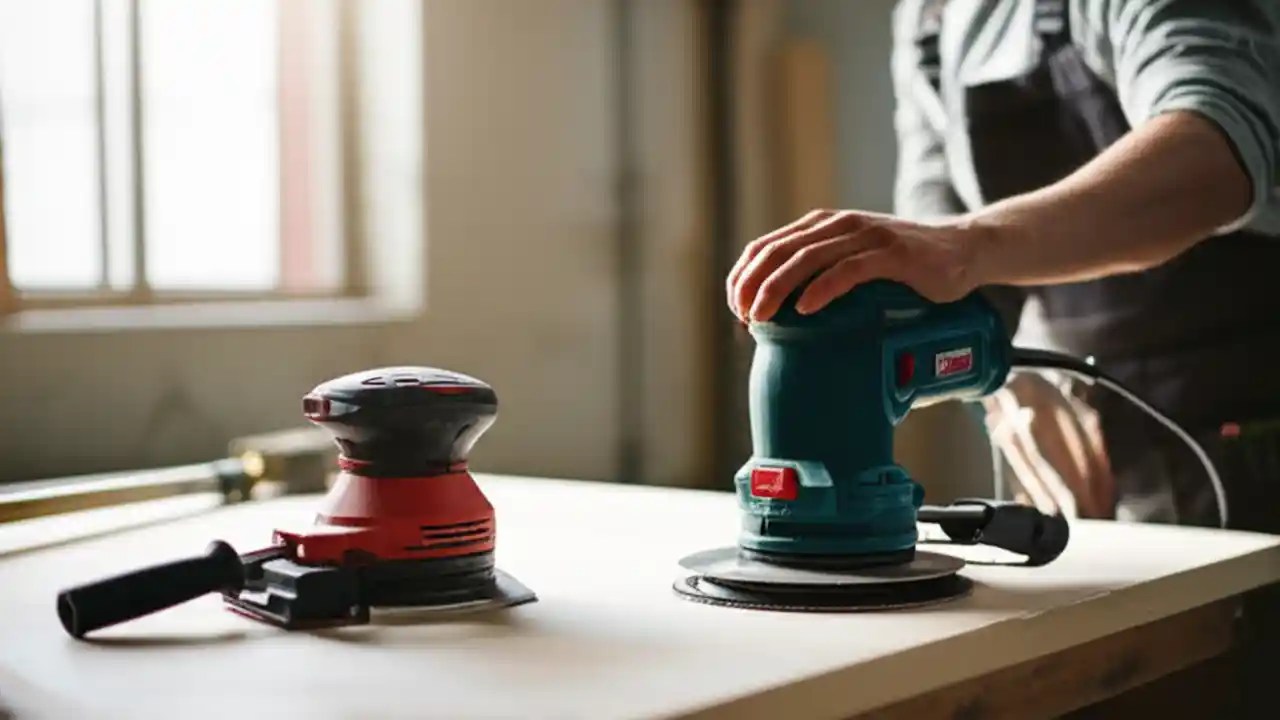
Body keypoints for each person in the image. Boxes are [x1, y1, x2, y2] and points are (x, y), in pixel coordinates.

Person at [726, 0, 1280, 537]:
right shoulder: (928, 14)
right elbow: (935, 227)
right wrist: (1005, 374)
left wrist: (967, 246)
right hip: (1084, 440)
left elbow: (1217, 156)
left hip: (1244, 433)